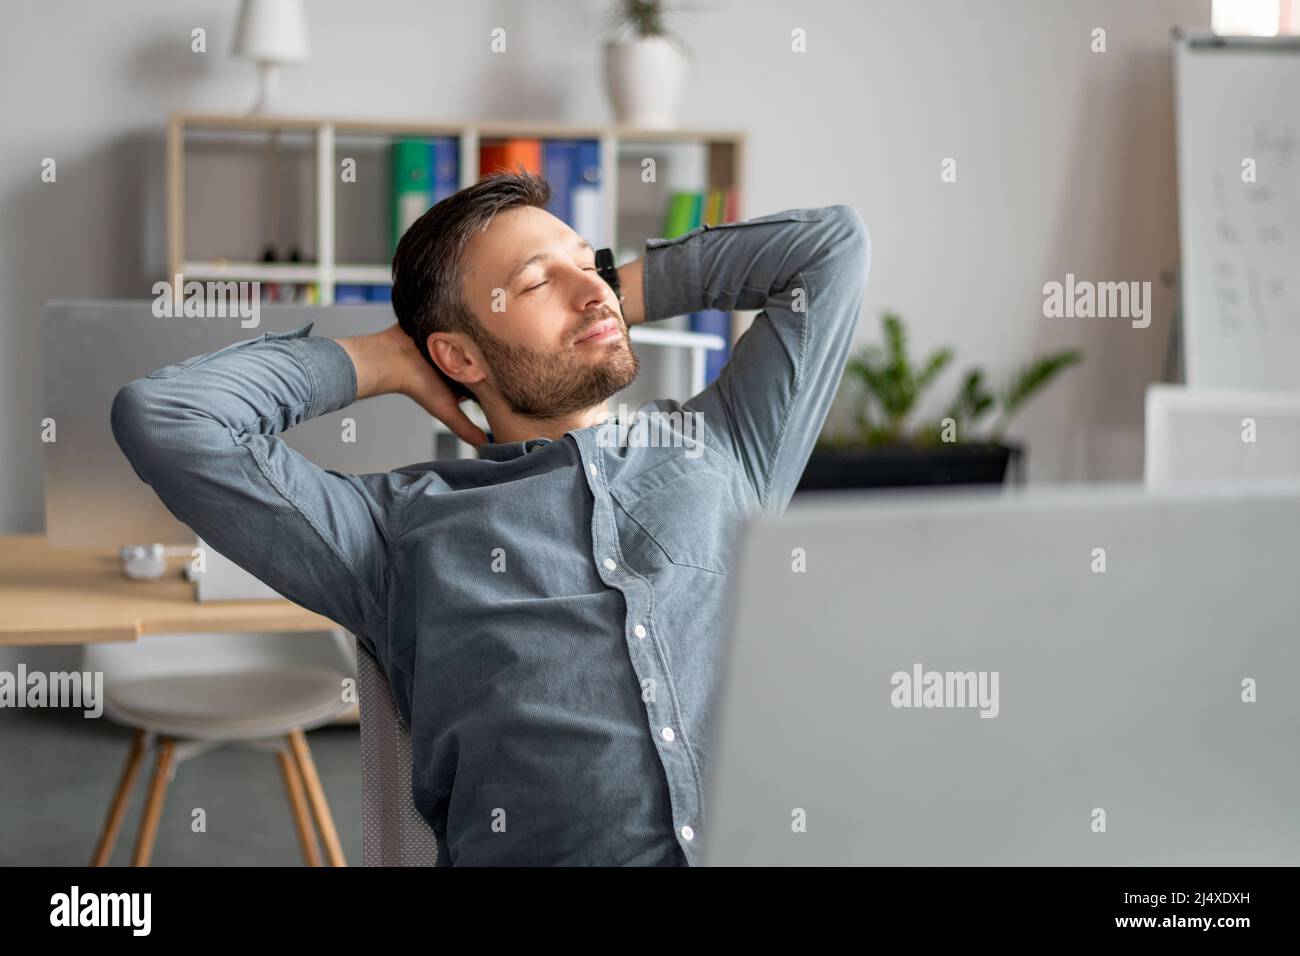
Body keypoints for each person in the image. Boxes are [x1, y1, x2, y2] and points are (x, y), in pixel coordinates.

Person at [111, 170, 871, 866]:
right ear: (460, 357)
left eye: (590, 262)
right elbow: (170, 418)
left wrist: (604, 297)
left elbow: (829, 248)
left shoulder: (728, 445)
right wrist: (389, 359)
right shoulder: (395, 532)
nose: (591, 288)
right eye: (536, 282)